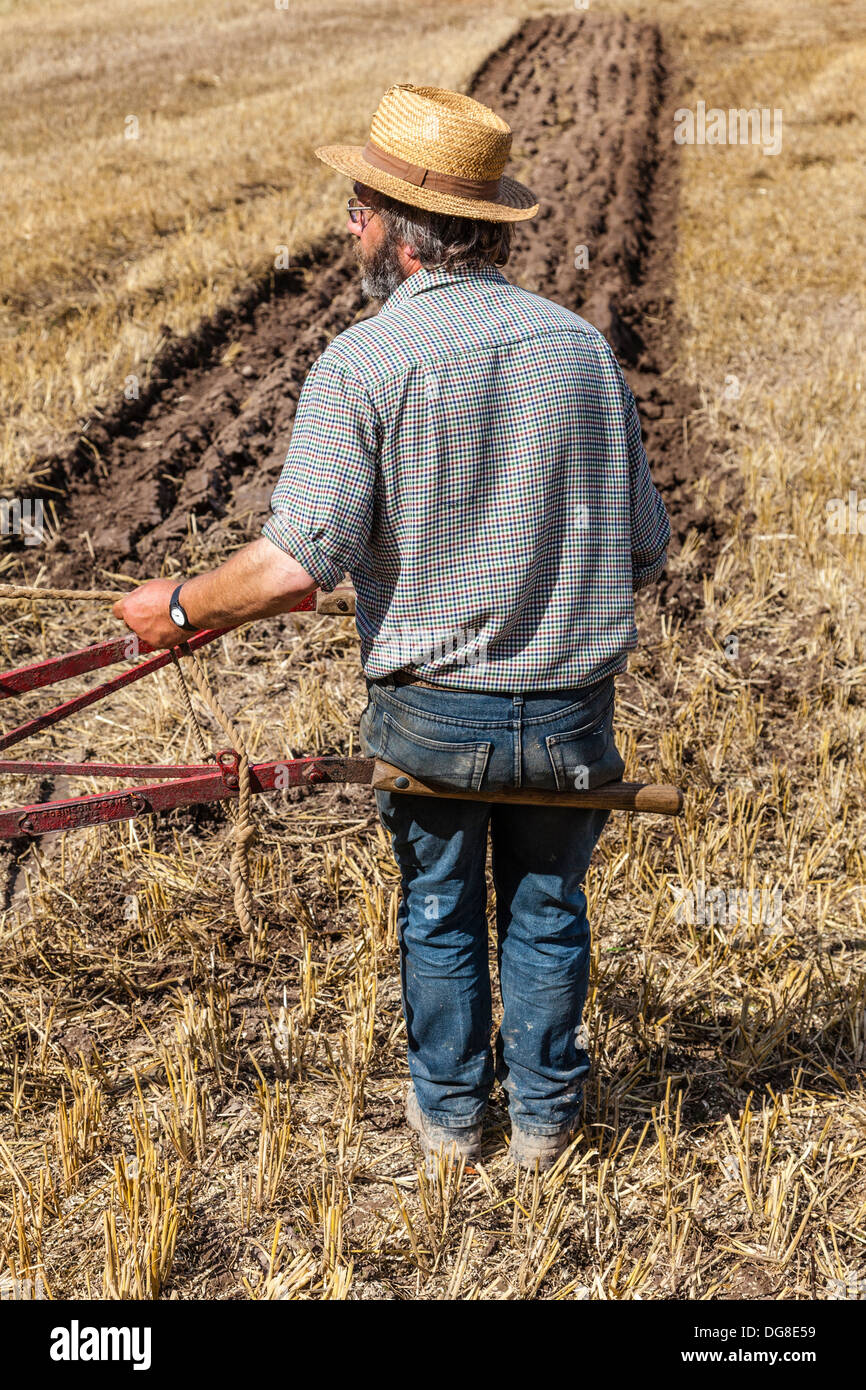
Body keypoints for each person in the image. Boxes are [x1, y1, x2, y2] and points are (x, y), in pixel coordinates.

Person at [114, 83, 671, 1172]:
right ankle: (550, 1124)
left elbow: (289, 570)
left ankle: (452, 1124)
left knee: (439, 911)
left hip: (430, 714)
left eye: (357, 208)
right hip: (568, 709)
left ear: (400, 235)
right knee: (549, 908)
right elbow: (644, 546)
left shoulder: (362, 363)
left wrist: (174, 608)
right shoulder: (580, 351)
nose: (346, 227)